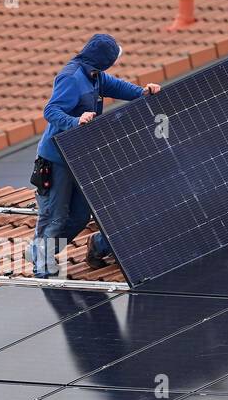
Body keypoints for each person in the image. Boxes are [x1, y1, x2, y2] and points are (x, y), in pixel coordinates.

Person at [28, 33, 160, 278]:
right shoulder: (71, 78)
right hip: (56, 159)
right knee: (55, 216)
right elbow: (51, 110)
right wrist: (75, 121)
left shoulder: (94, 75)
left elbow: (116, 86)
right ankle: (40, 262)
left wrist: (142, 93)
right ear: (104, 60)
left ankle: (39, 251)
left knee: (79, 216)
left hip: (77, 155)